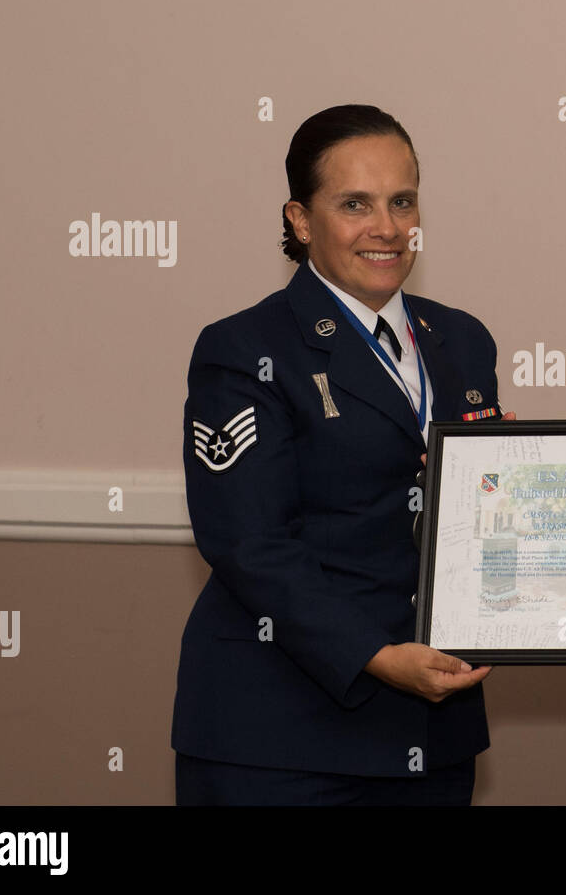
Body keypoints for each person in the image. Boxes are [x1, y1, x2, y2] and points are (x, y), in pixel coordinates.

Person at [171, 104, 509, 805]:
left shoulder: (462, 340)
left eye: (402, 201)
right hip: (281, 735)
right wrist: (377, 656)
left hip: (431, 728)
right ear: (300, 220)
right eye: (354, 204)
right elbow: (249, 543)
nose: (386, 227)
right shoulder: (246, 349)